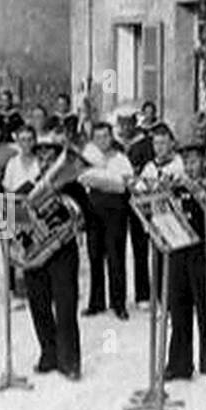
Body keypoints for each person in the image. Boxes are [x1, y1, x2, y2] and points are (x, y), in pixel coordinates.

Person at [20, 135, 90, 381]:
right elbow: (15, 216)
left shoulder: (73, 187)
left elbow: (87, 217)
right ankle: (48, 354)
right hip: (36, 253)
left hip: (63, 252)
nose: (46, 161)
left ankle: (70, 361)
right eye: (41, 157)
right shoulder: (28, 187)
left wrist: (66, 206)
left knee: (65, 306)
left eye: (51, 157)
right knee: (38, 305)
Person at [163, 135, 206, 381]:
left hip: (201, 253)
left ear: (203, 161)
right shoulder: (177, 184)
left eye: (193, 161)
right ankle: (179, 364)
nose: (189, 166)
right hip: (178, 250)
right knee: (178, 308)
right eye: (185, 161)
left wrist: (199, 191)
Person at [80, 121, 132, 320]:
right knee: (94, 257)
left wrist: (99, 179)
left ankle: (118, 304)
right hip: (93, 213)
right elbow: (83, 178)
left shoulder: (121, 158)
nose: (102, 140)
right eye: (98, 137)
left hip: (116, 213)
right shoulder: (88, 157)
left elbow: (123, 185)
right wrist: (108, 179)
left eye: (105, 136)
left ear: (112, 137)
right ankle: (96, 302)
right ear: (93, 139)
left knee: (116, 257)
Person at [117, 108, 154, 304]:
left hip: (138, 197)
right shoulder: (115, 144)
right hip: (118, 200)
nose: (124, 128)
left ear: (134, 123)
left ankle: (143, 294)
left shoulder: (145, 143)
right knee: (118, 248)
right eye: (121, 124)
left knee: (140, 246)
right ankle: (119, 297)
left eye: (128, 123)